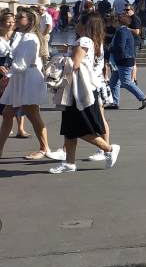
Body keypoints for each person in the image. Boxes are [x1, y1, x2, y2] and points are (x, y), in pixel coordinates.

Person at [49, 13, 120, 174]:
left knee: (79, 128)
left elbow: (74, 64)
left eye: (78, 22)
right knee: (69, 128)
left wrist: (60, 57)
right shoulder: (93, 42)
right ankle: (69, 163)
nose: (76, 24)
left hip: (78, 90)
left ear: (85, 25)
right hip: (81, 89)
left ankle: (109, 148)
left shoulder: (83, 41)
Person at [0, 9, 62, 161]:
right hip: (21, 77)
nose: (16, 19)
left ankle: (44, 148)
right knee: (9, 114)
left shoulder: (30, 37)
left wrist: (7, 75)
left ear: (29, 21)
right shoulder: (21, 36)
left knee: (32, 114)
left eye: (20, 17)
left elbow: (22, 62)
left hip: (27, 77)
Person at [109, 10, 146, 110]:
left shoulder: (121, 32)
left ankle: (143, 98)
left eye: (114, 21)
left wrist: (110, 49)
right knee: (114, 82)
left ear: (119, 22)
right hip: (124, 59)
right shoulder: (125, 31)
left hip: (124, 60)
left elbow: (120, 47)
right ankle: (115, 102)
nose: (112, 23)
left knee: (126, 82)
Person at [0, 10, 28, 139]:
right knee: (3, 98)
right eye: (8, 21)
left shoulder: (19, 36)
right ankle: (6, 124)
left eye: (13, 21)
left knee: (18, 97)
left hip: (15, 67)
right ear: (1, 23)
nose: (11, 23)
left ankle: (21, 128)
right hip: (2, 67)